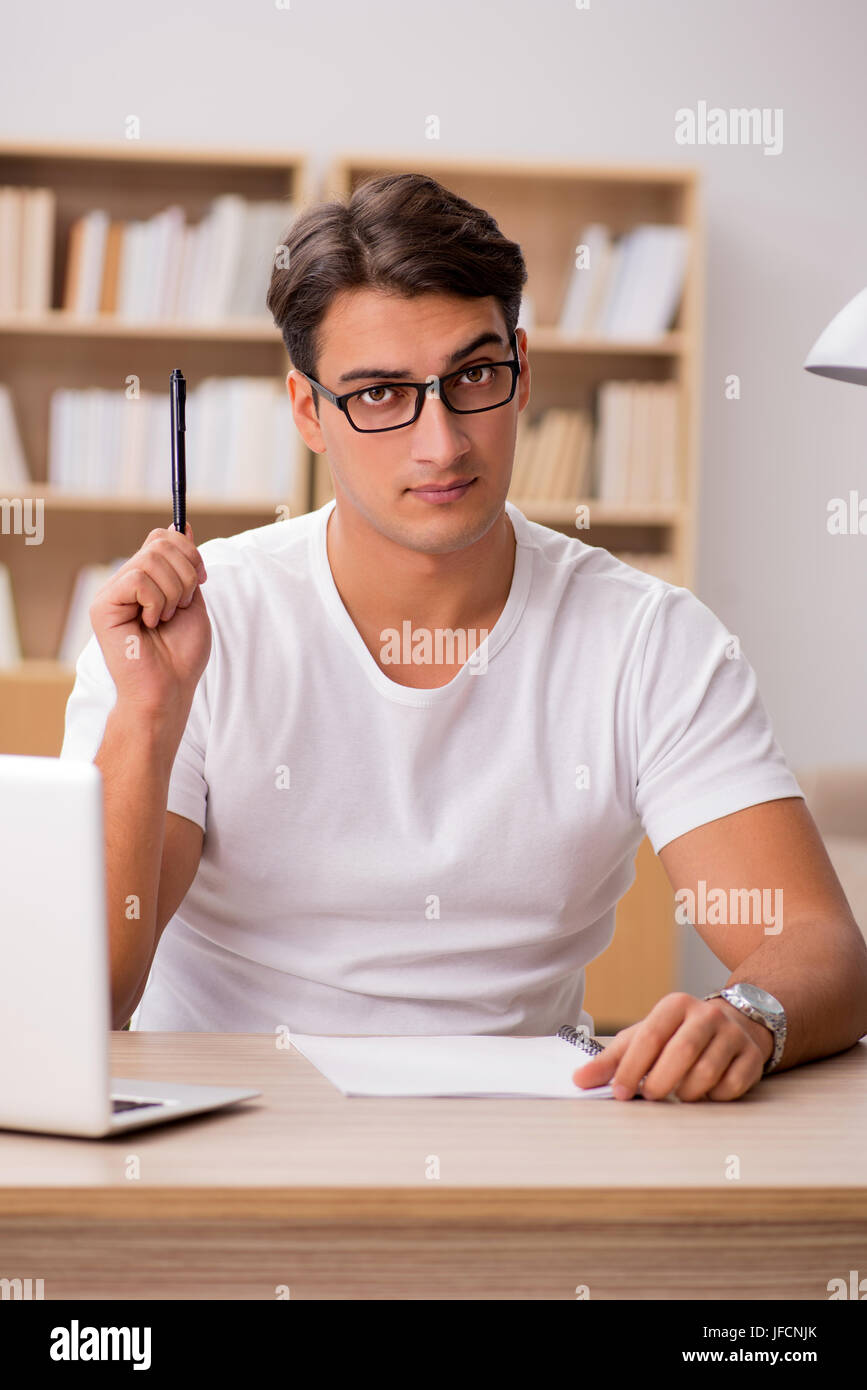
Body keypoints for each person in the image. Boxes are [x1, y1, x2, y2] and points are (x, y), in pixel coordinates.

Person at [61, 172, 867, 1102]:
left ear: (521, 369)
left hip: (510, 1139)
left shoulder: (650, 639)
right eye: (379, 395)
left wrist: (748, 1015)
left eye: (473, 376)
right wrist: (146, 718)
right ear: (307, 411)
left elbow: (819, 947)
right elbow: (91, 1005)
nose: (440, 444)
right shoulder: (194, 630)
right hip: (218, 1129)